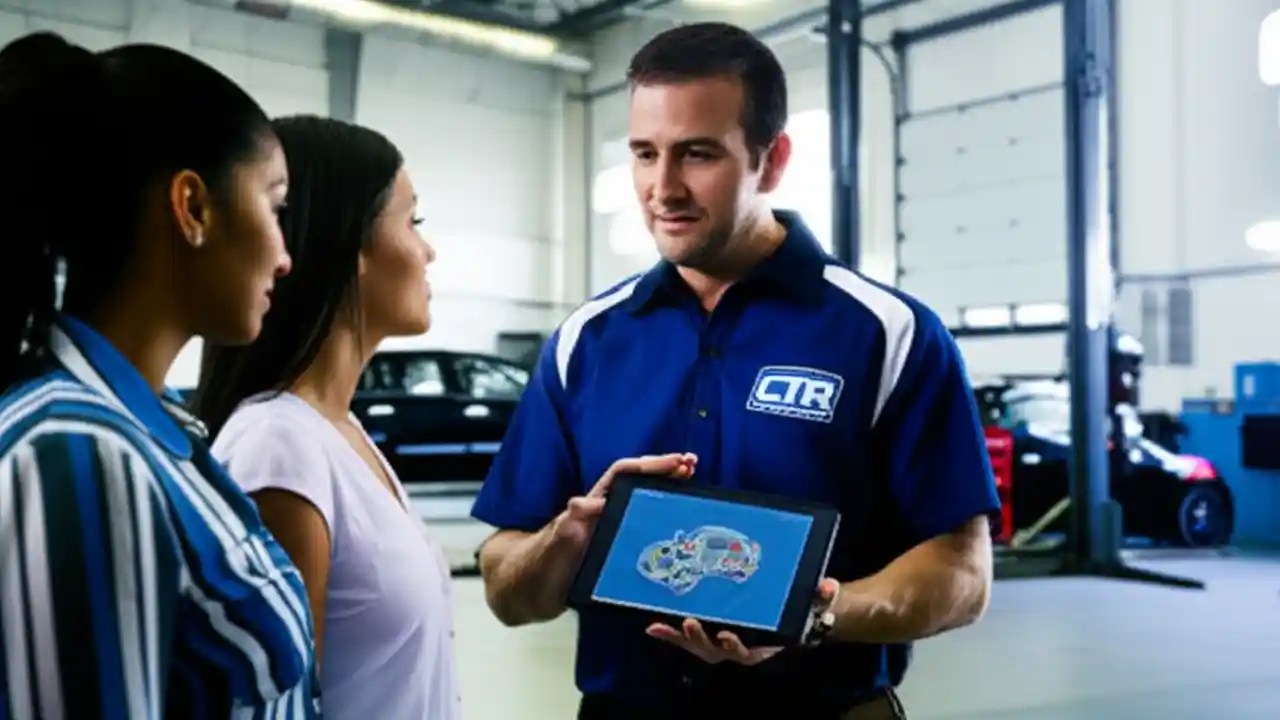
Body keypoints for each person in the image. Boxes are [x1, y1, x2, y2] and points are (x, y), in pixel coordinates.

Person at [470, 21, 999, 720]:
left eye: (697, 154)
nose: (662, 188)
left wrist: (816, 613)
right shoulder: (586, 341)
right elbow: (507, 590)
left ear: (771, 160)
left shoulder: (886, 334)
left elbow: (962, 573)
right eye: (643, 154)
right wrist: (562, 541)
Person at [0, 32, 318, 719]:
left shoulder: (156, 429)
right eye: (276, 207)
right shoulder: (78, 449)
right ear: (193, 208)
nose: (286, 256)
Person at [188, 115, 456, 720]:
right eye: (412, 222)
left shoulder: (340, 432)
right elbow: (277, 704)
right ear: (352, 246)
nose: (427, 250)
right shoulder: (279, 446)